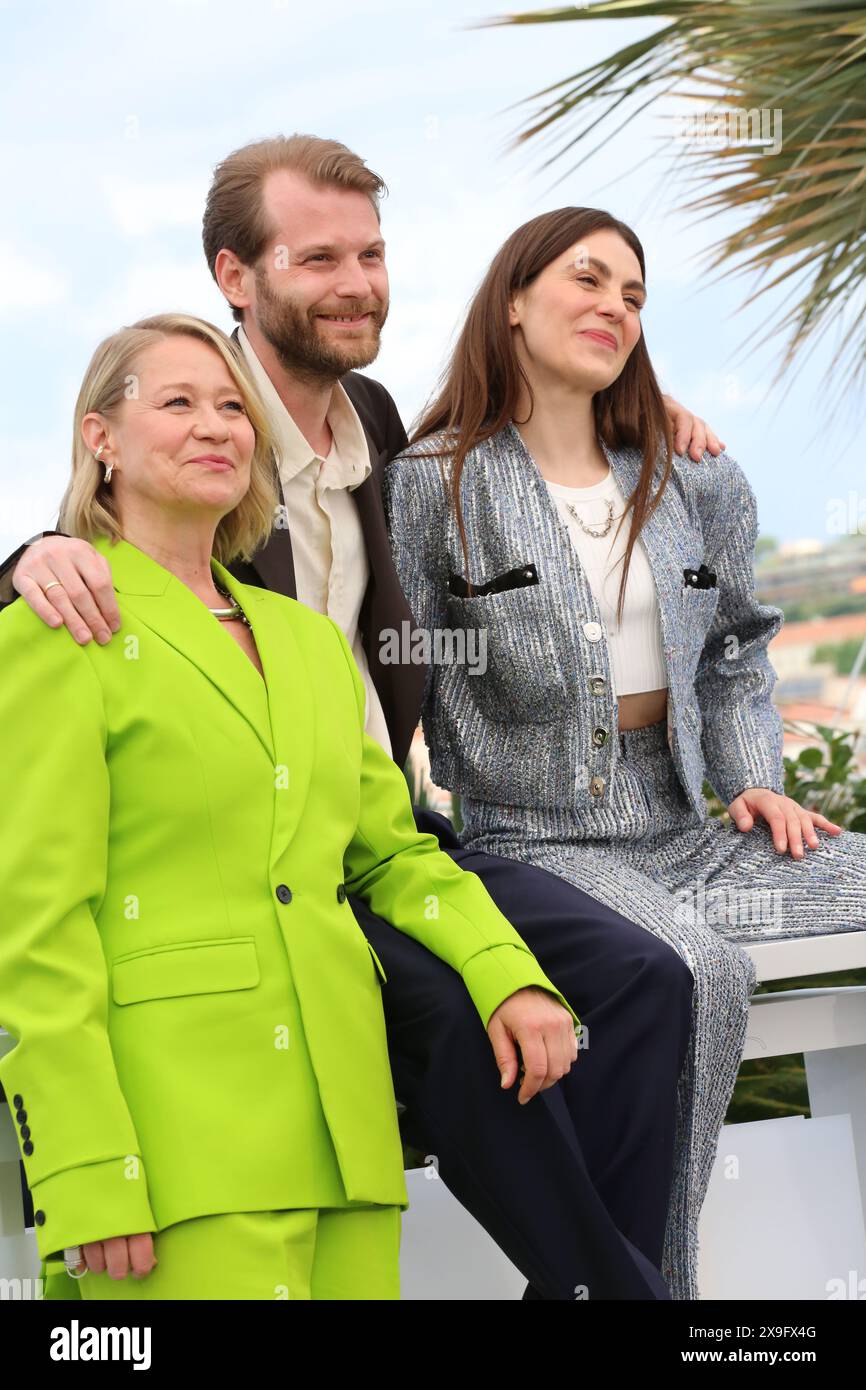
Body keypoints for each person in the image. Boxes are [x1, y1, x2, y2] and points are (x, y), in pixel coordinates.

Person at [0, 135, 718, 1300]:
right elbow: (92, 566)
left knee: (643, 977)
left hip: (384, 820)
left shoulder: (374, 421)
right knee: (448, 1005)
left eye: (372, 254)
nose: (355, 282)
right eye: (317, 255)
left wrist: (633, 402)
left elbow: (503, 426)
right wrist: (29, 558)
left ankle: (619, 1281)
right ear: (236, 276)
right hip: (265, 877)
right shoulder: (161, 461)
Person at [0, 312, 587, 1301]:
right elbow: (36, 930)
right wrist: (86, 1170)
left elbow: (391, 853)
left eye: (233, 405)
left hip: (345, 1143)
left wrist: (505, 973)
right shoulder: (57, 631)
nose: (216, 424)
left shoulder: (308, 641)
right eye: (177, 402)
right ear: (100, 437)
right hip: (173, 1153)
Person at [382, 204, 866, 1300]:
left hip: (694, 834)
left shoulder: (693, 479)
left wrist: (753, 777)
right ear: (512, 299)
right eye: (587, 280)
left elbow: (738, 650)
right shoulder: (431, 482)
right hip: (537, 846)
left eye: (633, 296)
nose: (612, 306)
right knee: (694, 973)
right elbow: (390, 669)